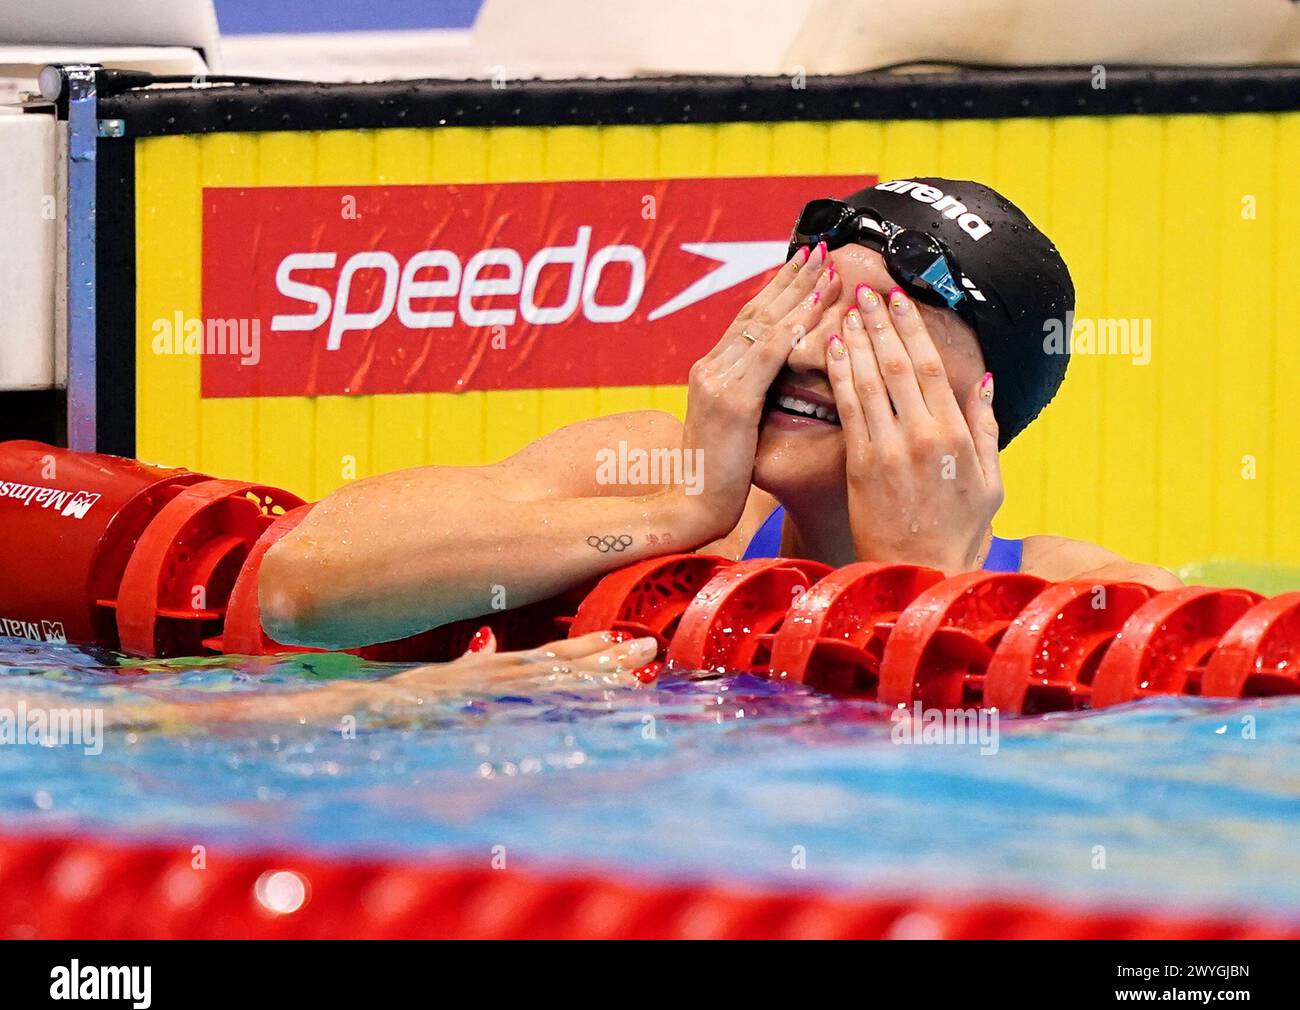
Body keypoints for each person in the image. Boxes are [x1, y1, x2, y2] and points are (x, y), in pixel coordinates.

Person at [259, 177, 1181, 656]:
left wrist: (921, 583)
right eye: (807, 296)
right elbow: (302, 587)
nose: (811, 349)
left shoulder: (1089, 601)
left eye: (878, 324)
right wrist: (672, 516)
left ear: (988, 404)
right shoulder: (659, 473)